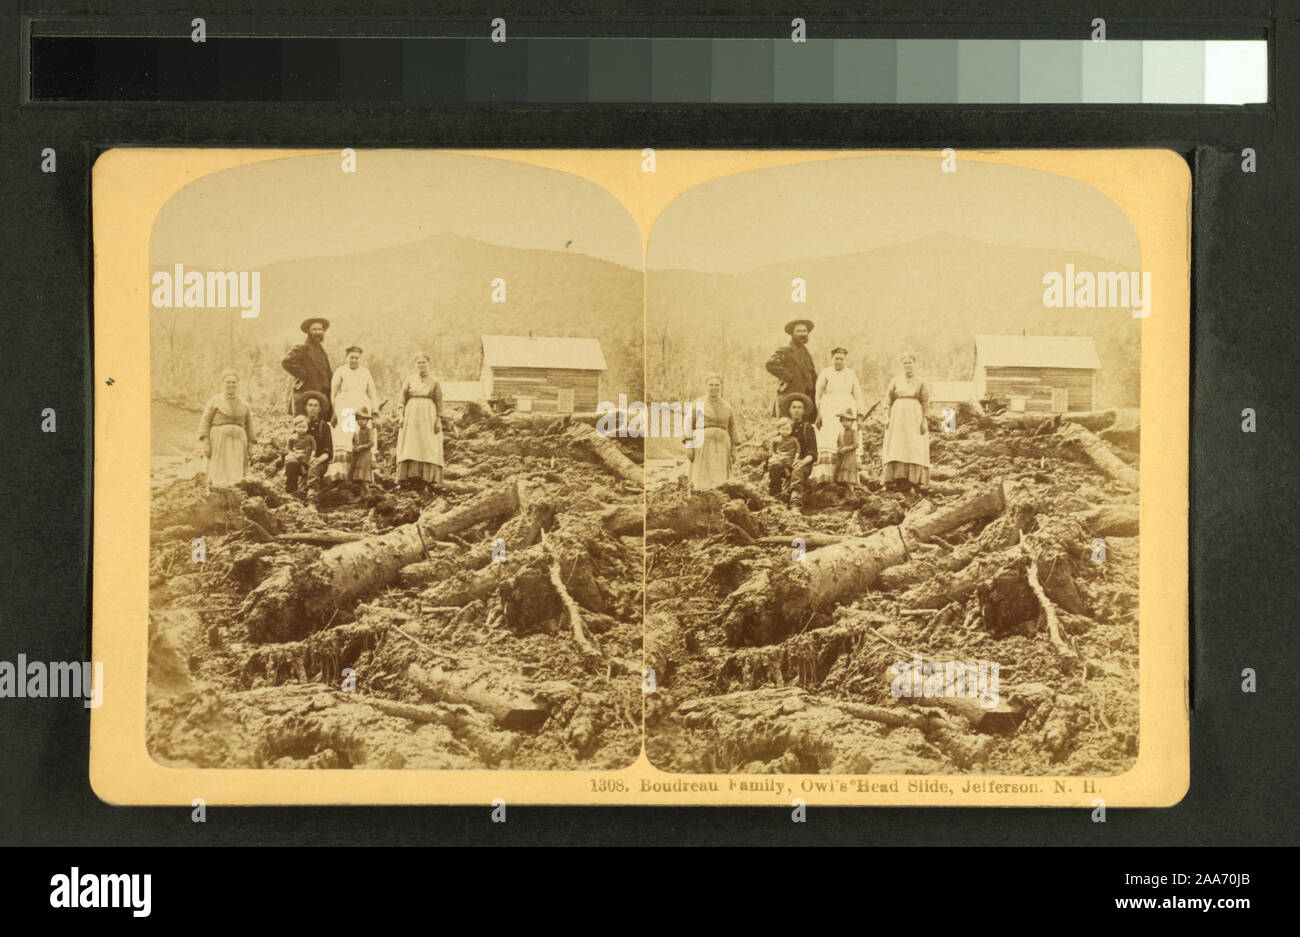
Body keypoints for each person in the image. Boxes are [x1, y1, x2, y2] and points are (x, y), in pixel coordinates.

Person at [395, 352, 445, 492]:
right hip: (411, 416)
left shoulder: (434, 382)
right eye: (419, 362)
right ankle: (407, 479)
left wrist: (438, 420)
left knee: (427, 444)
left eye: (424, 362)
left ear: (428, 364)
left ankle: (427, 479)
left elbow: (439, 402)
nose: (421, 365)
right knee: (410, 444)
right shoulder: (409, 379)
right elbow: (402, 399)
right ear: (415, 364)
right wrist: (401, 415)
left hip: (428, 415)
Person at [881, 352, 931, 489]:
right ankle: (894, 479)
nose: (907, 365)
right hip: (898, 417)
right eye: (905, 363)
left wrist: (924, 420)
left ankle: (913, 481)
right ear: (901, 365)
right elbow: (888, 400)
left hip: (914, 416)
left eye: (910, 362)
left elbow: (926, 402)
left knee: (913, 445)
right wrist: (887, 417)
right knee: (897, 444)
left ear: (914, 364)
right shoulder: (895, 380)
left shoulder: (921, 382)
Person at [198, 369, 256, 488]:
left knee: (236, 471)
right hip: (219, 439)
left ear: (238, 384)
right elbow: (205, 420)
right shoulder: (215, 400)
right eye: (228, 382)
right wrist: (206, 442)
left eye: (234, 382)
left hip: (239, 442)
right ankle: (217, 491)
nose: (231, 384)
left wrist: (250, 444)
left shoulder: (243, 403)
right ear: (222, 383)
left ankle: (235, 491)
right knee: (218, 471)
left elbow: (249, 424)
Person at [684, 372, 738, 491]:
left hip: (723, 444)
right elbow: (688, 424)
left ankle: (719, 494)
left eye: (717, 385)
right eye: (711, 385)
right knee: (702, 474)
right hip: (702, 442)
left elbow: (733, 427)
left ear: (721, 387)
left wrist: (734, 449)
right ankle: (701, 493)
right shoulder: (698, 403)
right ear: (706, 386)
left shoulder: (727, 405)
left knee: (720, 475)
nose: (714, 387)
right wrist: (689, 446)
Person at [765, 319, 818, 421]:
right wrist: (789, 378)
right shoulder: (786, 350)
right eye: (798, 331)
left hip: (808, 396)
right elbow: (770, 364)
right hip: (792, 395)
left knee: (806, 427)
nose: (802, 334)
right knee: (788, 426)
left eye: (804, 331)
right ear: (792, 334)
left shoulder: (805, 351)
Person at [282, 317, 333, 419]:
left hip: (324, 393)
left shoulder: (322, 350)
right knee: (304, 423)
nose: (318, 332)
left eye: (320, 329)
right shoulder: (301, 348)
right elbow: (286, 362)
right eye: (314, 329)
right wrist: (303, 375)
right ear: (308, 332)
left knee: (322, 424)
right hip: (307, 393)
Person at [779, 393, 818, 513]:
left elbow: (813, 452)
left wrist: (802, 461)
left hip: (803, 463)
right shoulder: (784, 427)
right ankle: (777, 498)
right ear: (789, 410)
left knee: (796, 471)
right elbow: (777, 446)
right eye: (794, 407)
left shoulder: (808, 428)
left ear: (804, 411)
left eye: (799, 408)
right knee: (775, 468)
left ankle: (795, 503)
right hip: (785, 461)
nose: (796, 410)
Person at [330, 345, 379, 438]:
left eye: (357, 358)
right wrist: (334, 409)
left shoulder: (365, 372)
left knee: (362, 429)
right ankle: (346, 450)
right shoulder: (341, 371)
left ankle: (363, 451)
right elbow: (334, 392)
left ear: (360, 359)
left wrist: (374, 410)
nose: (354, 360)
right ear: (346, 358)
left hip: (362, 403)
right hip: (344, 404)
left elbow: (372, 393)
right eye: (351, 357)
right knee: (346, 430)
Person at [300, 392, 333, 496]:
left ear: (320, 409)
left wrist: (318, 459)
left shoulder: (324, 427)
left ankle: (312, 500)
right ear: (305, 407)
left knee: (313, 469)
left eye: (316, 406)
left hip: (319, 461)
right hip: (302, 459)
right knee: (291, 465)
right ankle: (291, 494)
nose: (312, 408)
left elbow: (328, 451)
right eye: (310, 405)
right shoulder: (300, 425)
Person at [284, 415, 318, 496]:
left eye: (304, 427)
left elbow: (314, 447)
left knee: (307, 464)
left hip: (305, 455)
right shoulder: (292, 437)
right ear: (295, 427)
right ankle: (290, 488)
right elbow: (289, 447)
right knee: (290, 463)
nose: (301, 429)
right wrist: (291, 453)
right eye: (299, 427)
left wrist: (313, 455)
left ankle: (304, 477)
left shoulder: (310, 437)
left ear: (307, 427)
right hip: (295, 454)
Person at [766, 417, 801, 497]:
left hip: (789, 458)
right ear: (779, 429)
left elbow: (798, 451)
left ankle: (787, 492)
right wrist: (775, 456)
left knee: (787, 462)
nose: (785, 431)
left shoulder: (794, 440)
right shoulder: (775, 440)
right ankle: (774, 490)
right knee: (774, 465)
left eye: (788, 429)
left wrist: (796, 458)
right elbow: (772, 451)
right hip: (778, 458)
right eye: (783, 429)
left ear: (791, 430)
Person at [348, 407, 376, 498]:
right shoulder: (358, 431)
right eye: (359, 419)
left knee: (363, 474)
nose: (361, 421)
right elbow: (355, 442)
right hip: (359, 455)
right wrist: (355, 446)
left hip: (366, 455)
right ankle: (362, 494)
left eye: (363, 419)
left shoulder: (369, 431)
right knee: (358, 475)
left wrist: (361, 447)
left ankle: (368, 493)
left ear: (367, 420)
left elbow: (371, 442)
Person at [833, 408, 860, 486]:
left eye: (848, 421)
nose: (845, 423)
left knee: (849, 472)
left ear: (852, 422)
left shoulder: (853, 432)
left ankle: (851, 490)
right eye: (843, 421)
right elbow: (838, 443)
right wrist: (839, 449)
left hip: (850, 456)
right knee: (841, 472)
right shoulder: (841, 433)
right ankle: (843, 489)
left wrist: (847, 448)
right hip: (842, 456)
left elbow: (856, 444)